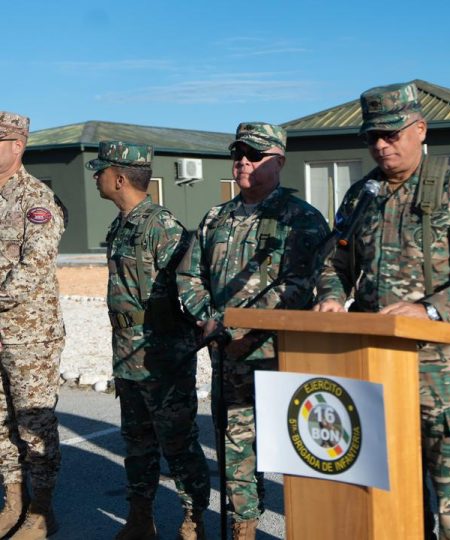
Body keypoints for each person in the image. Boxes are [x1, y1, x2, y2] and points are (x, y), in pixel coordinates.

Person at [314, 82, 450, 539]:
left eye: (391, 134)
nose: (381, 145)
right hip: (374, 365)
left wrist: (432, 309)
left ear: (420, 130)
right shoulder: (361, 196)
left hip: (440, 372)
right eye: (371, 137)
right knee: (390, 499)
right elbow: (334, 261)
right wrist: (330, 296)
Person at [176, 122, 329, 539]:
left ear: (279, 161)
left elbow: (300, 285)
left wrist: (244, 324)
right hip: (225, 353)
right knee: (233, 442)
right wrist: (209, 318)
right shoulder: (216, 217)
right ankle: (244, 525)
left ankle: (309, 525)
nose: (243, 161)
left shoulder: (301, 219)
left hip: (276, 353)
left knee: (298, 445)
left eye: (254, 154)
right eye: (238, 153)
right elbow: (190, 275)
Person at [87, 141, 210, 540]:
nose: (95, 176)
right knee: (137, 444)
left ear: (120, 178)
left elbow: (192, 288)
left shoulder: (162, 226)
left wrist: (194, 341)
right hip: (127, 355)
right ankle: (141, 518)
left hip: (161, 357)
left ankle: (193, 519)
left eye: (101, 170)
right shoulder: (121, 223)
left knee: (178, 443)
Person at [0, 111, 66, 540]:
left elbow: (33, 269)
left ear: (16, 144)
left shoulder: (36, 201)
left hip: (29, 336)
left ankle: (41, 511)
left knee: (33, 423)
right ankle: (13, 500)